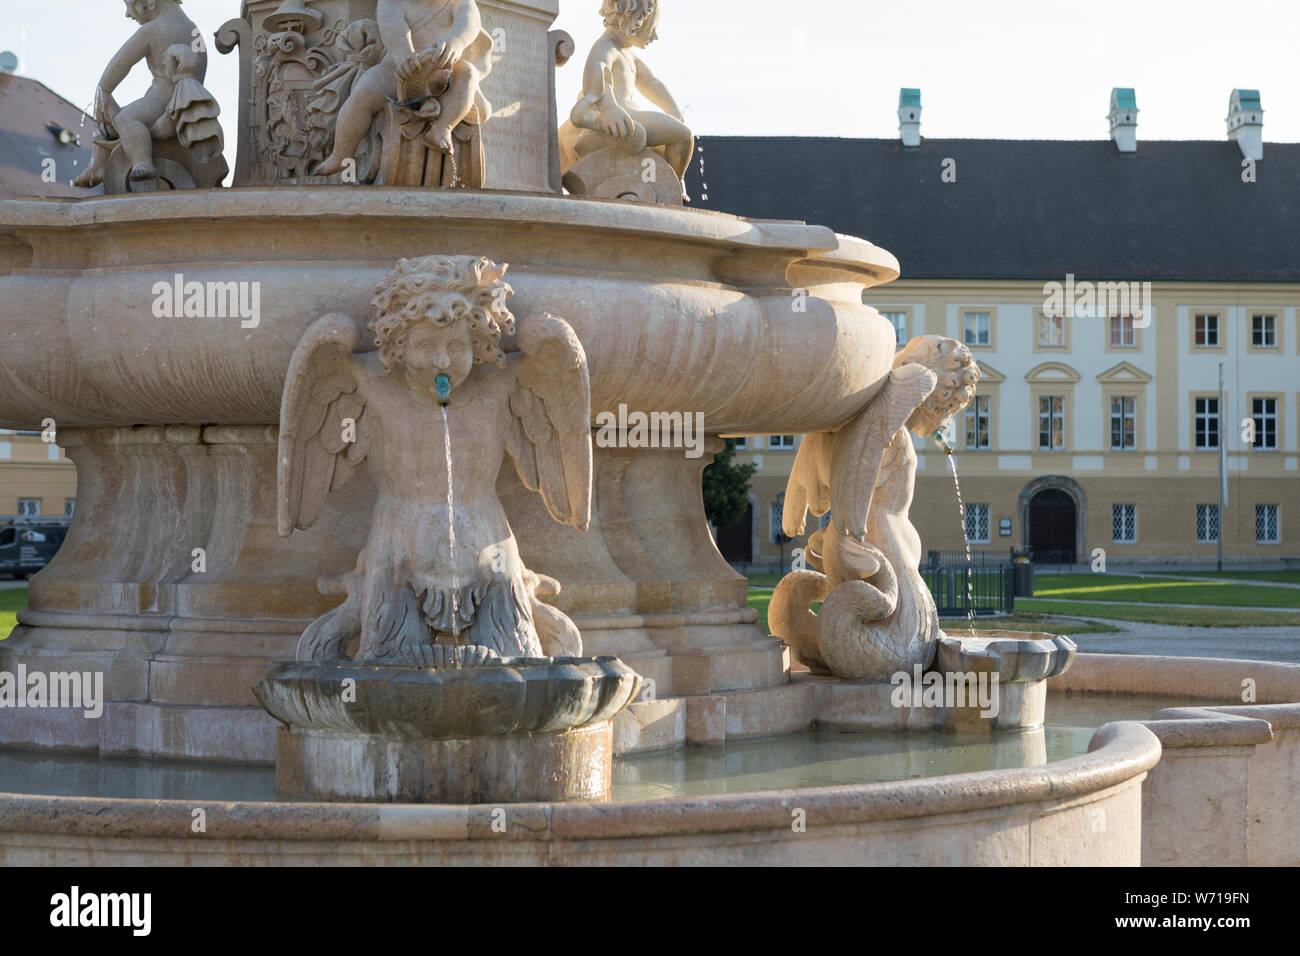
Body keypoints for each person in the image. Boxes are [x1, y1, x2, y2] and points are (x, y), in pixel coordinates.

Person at [314, 0, 493, 177]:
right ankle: (341, 153)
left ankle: (442, 127)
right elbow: (393, 27)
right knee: (362, 94)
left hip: (445, 70)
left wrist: (457, 41)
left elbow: (469, 22)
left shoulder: (460, 2)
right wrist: (404, 56)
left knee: (468, 74)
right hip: (398, 68)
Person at [562, 0, 694, 200]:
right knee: (684, 136)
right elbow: (597, 76)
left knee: (669, 143)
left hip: (631, 114)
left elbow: (651, 82)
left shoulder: (626, 53)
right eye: (652, 28)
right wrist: (609, 108)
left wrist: (673, 109)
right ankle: (674, 185)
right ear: (635, 20)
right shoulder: (605, 47)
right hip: (624, 116)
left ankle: (672, 182)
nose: (655, 36)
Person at [75, 0, 206, 187]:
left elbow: (120, 64)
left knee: (125, 119)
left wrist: (102, 91)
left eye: (130, 4)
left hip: (165, 101)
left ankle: (142, 162)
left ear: (149, 2)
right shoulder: (193, 29)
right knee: (118, 115)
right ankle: (97, 166)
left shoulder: (152, 30)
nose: (128, 14)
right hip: (187, 99)